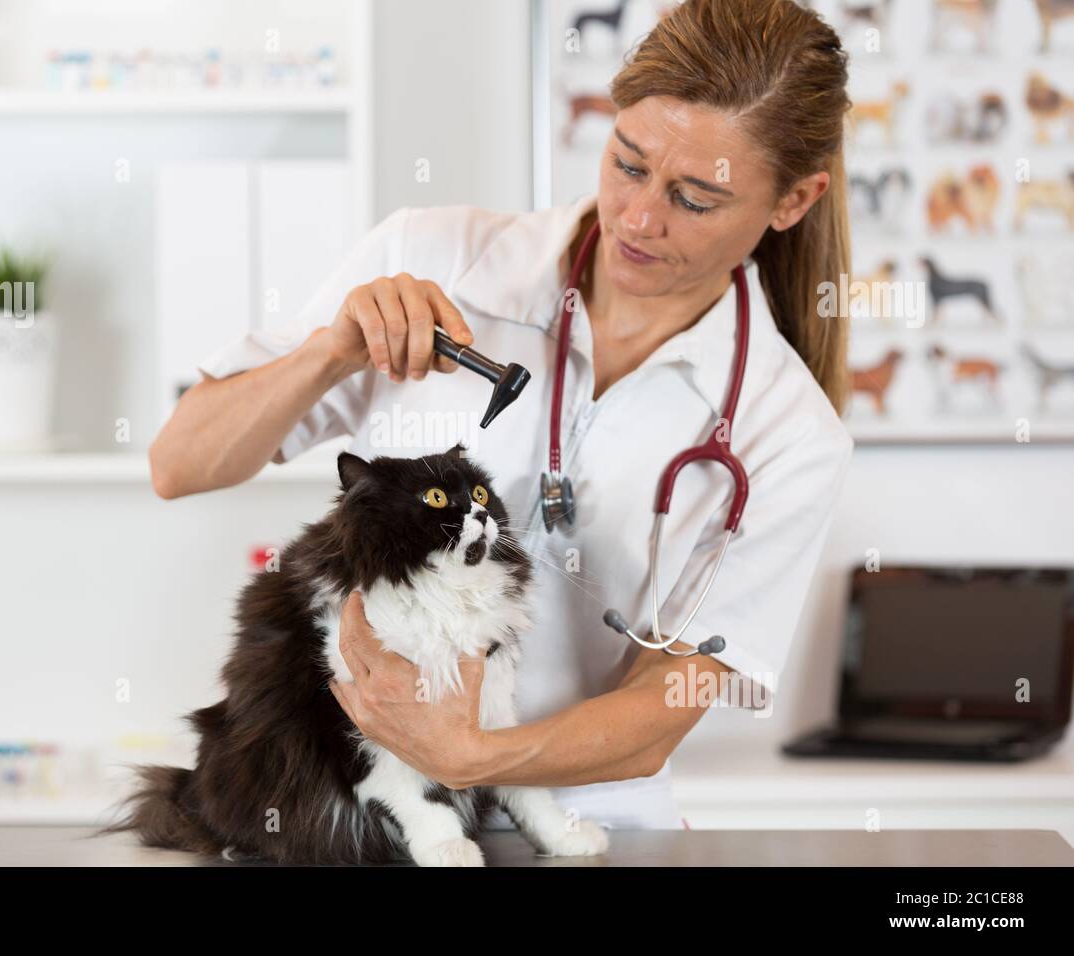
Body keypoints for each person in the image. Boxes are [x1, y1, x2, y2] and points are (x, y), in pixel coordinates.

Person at [150, 0, 855, 830]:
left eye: (694, 200)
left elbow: (670, 703)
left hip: (590, 830)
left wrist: (469, 757)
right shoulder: (434, 257)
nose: (638, 218)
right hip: (374, 817)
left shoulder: (788, 432)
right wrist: (329, 352)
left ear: (792, 201)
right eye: (627, 163)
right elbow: (180, 463)